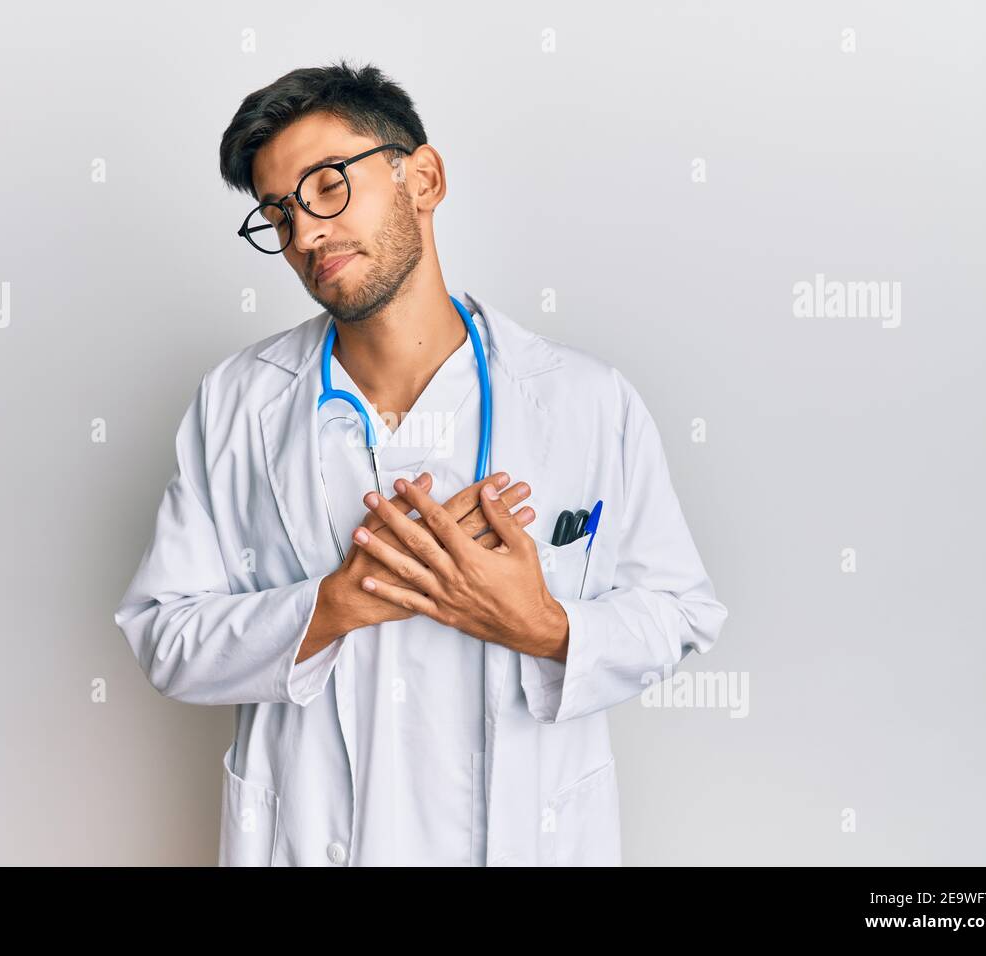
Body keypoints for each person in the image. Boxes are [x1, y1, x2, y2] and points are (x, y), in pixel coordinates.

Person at [113, 59, 727, 866]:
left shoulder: (586, 400)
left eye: (328, 185)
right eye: (278, 213)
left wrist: (543, 626)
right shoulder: (236, 402)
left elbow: (681, 613)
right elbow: (163, 634)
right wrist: (337, 603)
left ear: (424, 179)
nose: (306, 234)